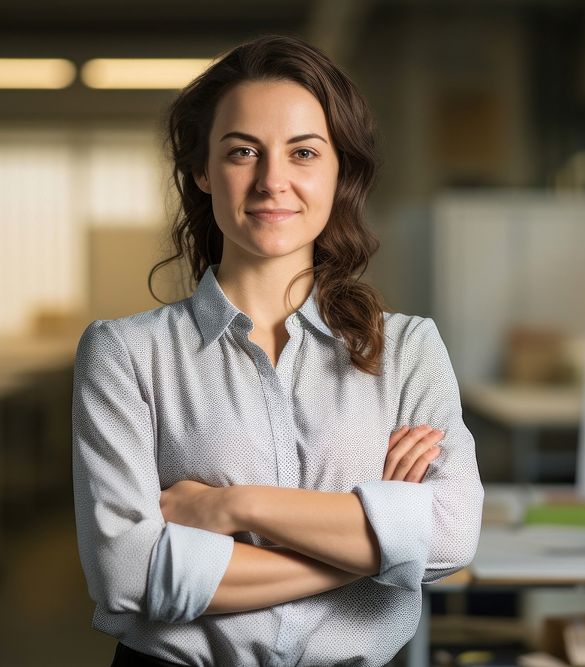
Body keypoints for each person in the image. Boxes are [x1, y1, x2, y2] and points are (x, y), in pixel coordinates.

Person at [72, 34, 483, 667]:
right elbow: (127, 574)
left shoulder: (407, 350)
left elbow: (451, 533)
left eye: (304, 153)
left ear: (339, 171)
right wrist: (383, 548)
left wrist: (231, 506)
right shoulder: (125, 355)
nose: (272, 181)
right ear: (203, 171)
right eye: (243, 152)